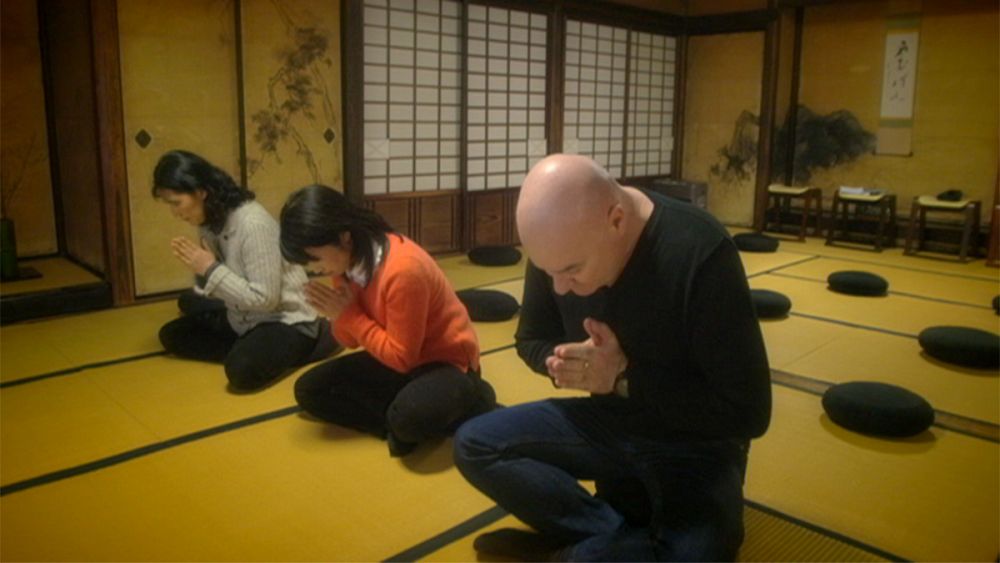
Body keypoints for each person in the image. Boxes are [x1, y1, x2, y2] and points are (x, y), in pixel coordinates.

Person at [454, 154, 772, 561]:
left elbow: (749, 412)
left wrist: (623, 377)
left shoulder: (697, 250)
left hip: (695, 441)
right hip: (609, 424)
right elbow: (532, 337)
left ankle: (584, 551)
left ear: (616, 220)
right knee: (476, 444)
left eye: (571, 271)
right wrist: (568, 364)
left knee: (702, 553)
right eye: (548, 271)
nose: (560, 287)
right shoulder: (557, 249)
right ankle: (609, 540)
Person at [278, 184, 497, 457]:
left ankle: (472, 398)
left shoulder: (403, 270)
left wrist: (349, 316)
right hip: (395, 356)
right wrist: (339, 315)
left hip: (447, 362)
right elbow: (348, 340)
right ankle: (400, 421)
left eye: (313, 259)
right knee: (310, 390)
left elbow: (402, 356)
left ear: (344, 237)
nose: (312, 269)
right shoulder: (344, 265)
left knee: (408, 420)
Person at [153, 150, 335, 391]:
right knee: (172, 333)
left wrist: (209, 268)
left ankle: (319, 338)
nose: (175, 212)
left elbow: (265, 299)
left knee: (241, 372)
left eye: (177, 203)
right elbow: (223, 283)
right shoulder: (209, 220)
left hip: (284, 318)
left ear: (201, 192)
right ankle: (254, 345)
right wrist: (205, 270)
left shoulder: (253, 225)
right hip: (242, 315)